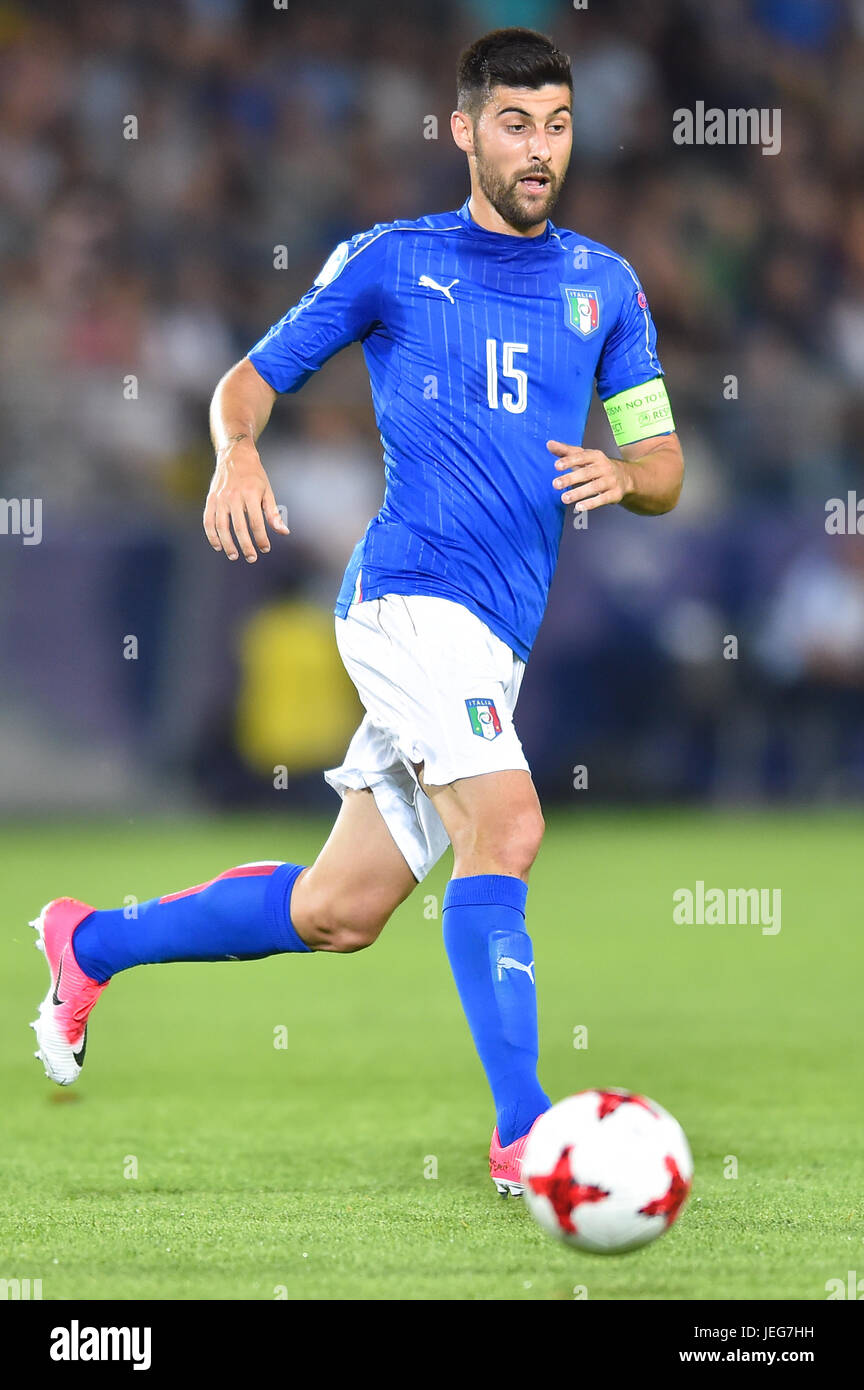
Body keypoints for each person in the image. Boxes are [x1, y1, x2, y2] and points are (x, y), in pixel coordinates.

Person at [30, 27, 683, 1197]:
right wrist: (235, 454)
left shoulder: (606, 286)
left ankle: (88, 943)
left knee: (340, 911)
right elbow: (249, 381)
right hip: (406, 601)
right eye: (516, 124)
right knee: (511, 828)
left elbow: (666, 460)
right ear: (465, 131)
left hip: (494, 637)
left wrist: (629, 476)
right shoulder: (390, 260)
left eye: (560, 126)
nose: (541, 151)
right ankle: (527, 1135)